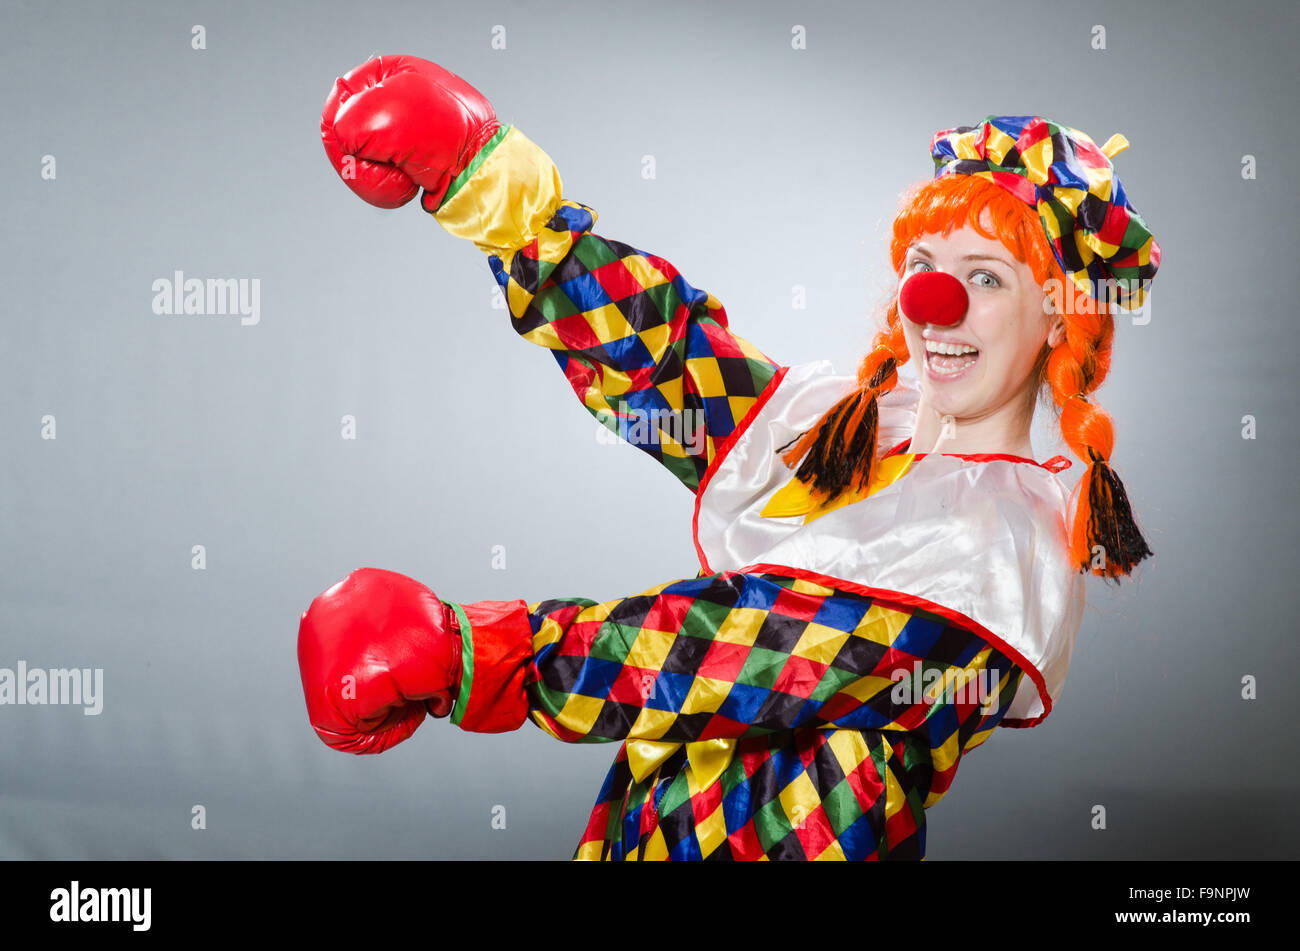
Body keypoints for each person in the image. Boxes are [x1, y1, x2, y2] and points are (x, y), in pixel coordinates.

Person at [297, 55, 1160, 860]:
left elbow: (737, 650)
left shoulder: (1006, 549)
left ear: (1060, 317)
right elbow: (668, 367)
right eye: (926, 265)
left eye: (986, 278)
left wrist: (485, 656)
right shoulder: (851, 430)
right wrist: (496, 197)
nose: (934, 302)